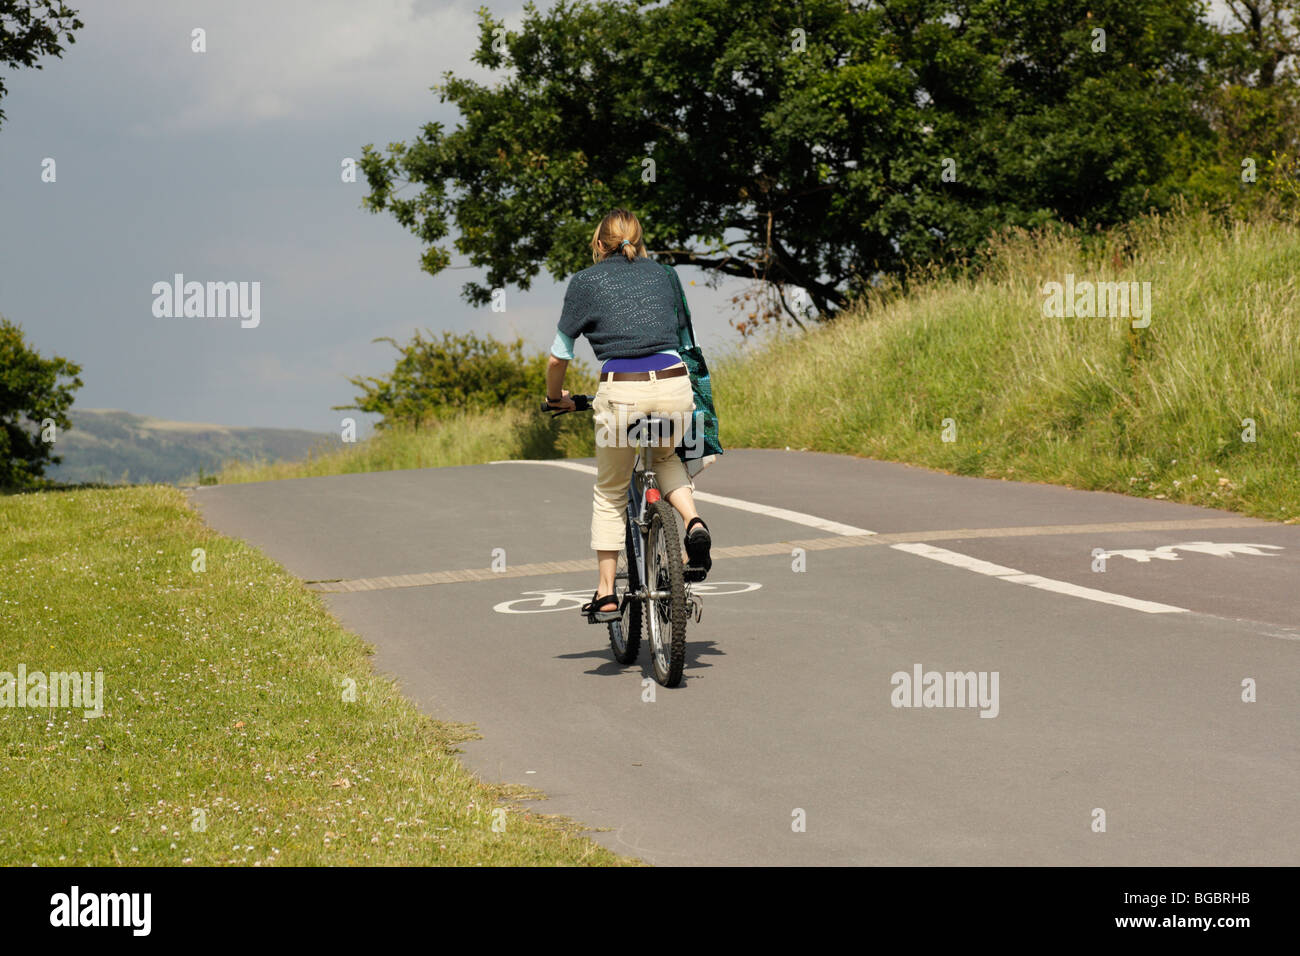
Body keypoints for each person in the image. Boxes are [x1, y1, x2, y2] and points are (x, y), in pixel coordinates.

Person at [545, 208, 712, 622]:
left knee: (611, 491)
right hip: (674, 385)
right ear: (638, 240)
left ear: (599, 245)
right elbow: (688, 344)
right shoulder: (665, 275)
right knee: (668, 457)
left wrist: (556, 397)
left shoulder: (586, 281)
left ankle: (605, 593)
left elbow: (557, 358)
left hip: (621, 393)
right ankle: (693, 523)